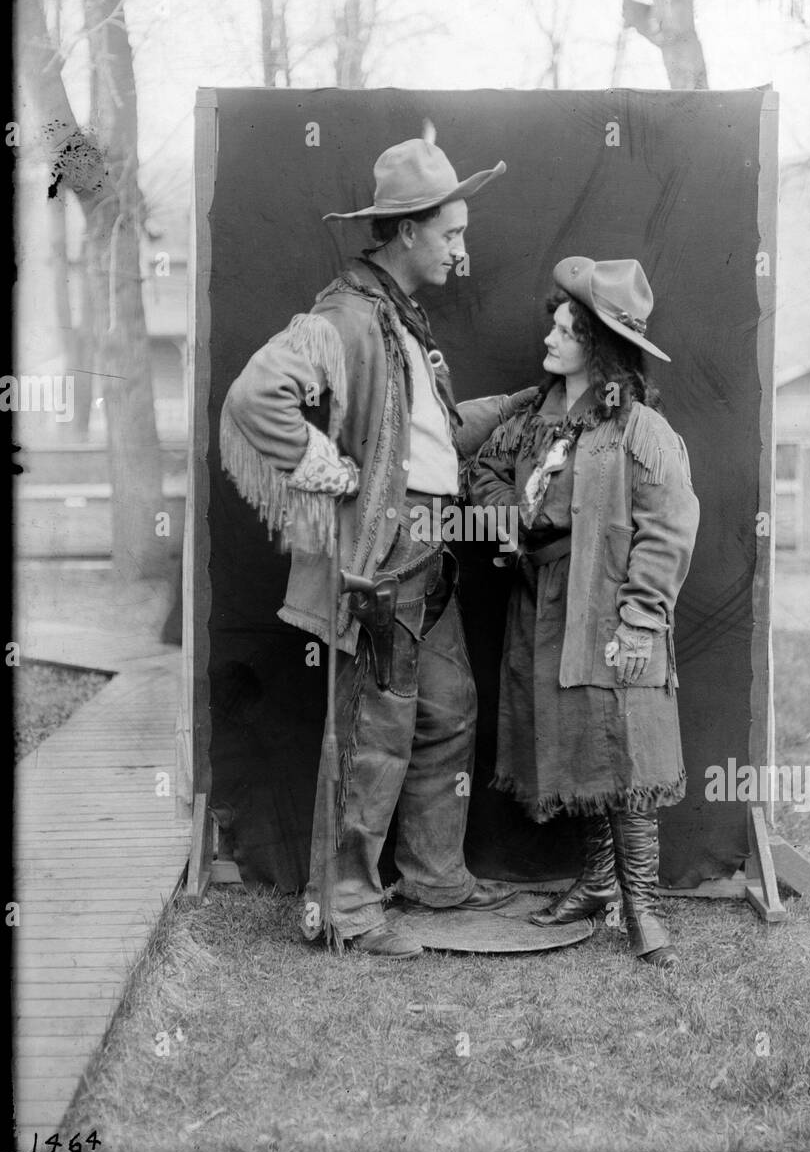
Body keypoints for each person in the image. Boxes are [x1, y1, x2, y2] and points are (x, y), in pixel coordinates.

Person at [219, 123, 536, 958]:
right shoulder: (348, 319)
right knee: (375, 734)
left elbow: (422, 444)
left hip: (432, 556)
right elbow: (257, 399)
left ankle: (434, 876)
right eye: (452, 233)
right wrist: (325, 467)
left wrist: (510, 405)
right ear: (406, 231)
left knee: (450, 713)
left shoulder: (403, 320)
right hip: (384, 561)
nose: (462, 250)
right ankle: (347, 908)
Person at [468, 257, 699, 969]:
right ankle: (599, 882)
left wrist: (638, 621)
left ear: (600, 346)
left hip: (611, 607)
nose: (553, 336)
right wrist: (506, 516)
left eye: (569, 329)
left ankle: (645, 908)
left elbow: (670, 527)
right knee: (583, 748)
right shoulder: (533, 419)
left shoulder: (640, 429)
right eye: (556, 322)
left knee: (626, 754)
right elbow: (482, 470)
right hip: (546, 604)